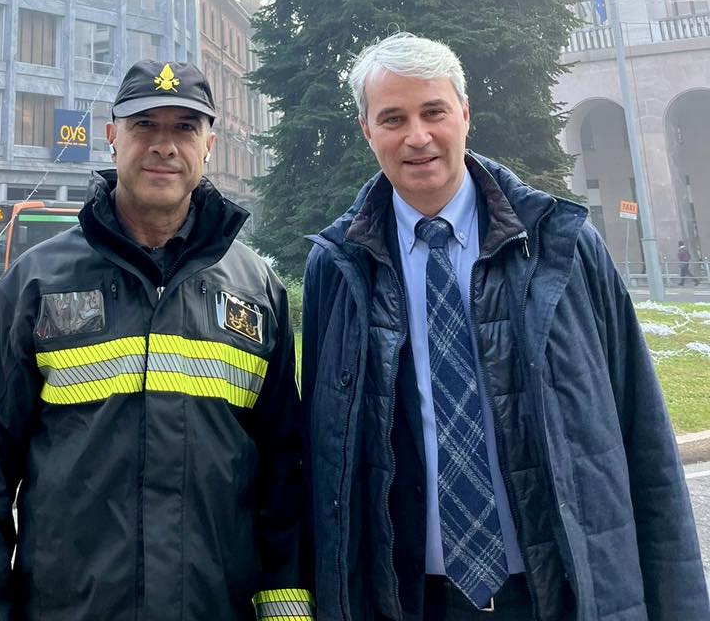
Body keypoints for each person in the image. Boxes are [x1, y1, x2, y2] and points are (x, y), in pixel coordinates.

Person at [302, 32, 709, 621]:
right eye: (392, 118)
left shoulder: (562, 246)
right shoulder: (337, 267)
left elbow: (642, 431)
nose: (417, 136)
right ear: (368, 132)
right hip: (409, 598)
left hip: (560, 594)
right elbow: (327, 458)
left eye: (433, 112)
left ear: (465, 114)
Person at [0, 59, 312, 621]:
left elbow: (285, 471)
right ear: (112, 138)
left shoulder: (257, 291)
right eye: (144, 126)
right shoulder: (34, 286)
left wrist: (286, 608)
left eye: (184, 127)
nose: (164, 145)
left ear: (210, 144)